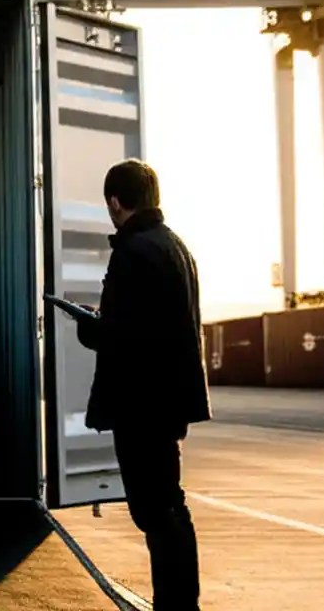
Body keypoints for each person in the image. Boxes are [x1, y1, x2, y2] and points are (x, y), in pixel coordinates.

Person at [75, 159, 212, 611]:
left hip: (141, 403)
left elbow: (122, 336)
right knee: (170, 505)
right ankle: (180, 602)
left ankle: (173, 604)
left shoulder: (133, 252)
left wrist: (88, 326)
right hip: (170, 399)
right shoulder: (176, 246)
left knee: (154, 511)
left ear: (116, 202)